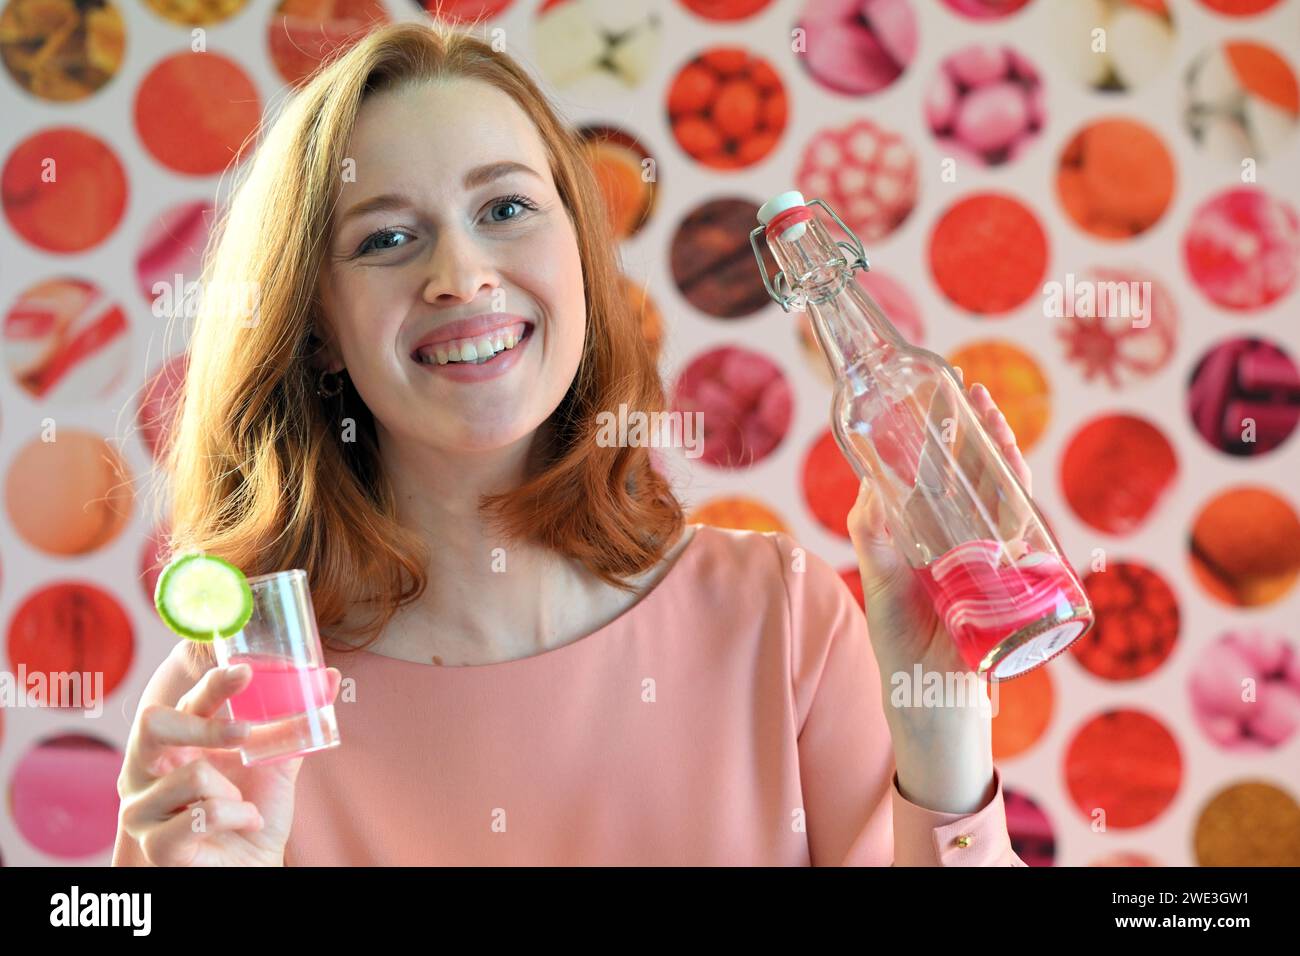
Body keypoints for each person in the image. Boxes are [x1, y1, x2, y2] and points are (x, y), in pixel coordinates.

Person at [113, 19, 1029, 867]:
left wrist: (940, 723)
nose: (461, 276)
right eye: (388, 236)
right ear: (317, 328)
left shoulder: (780, 620)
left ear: (581, 259)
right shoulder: (239, 699)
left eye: (505, 210)